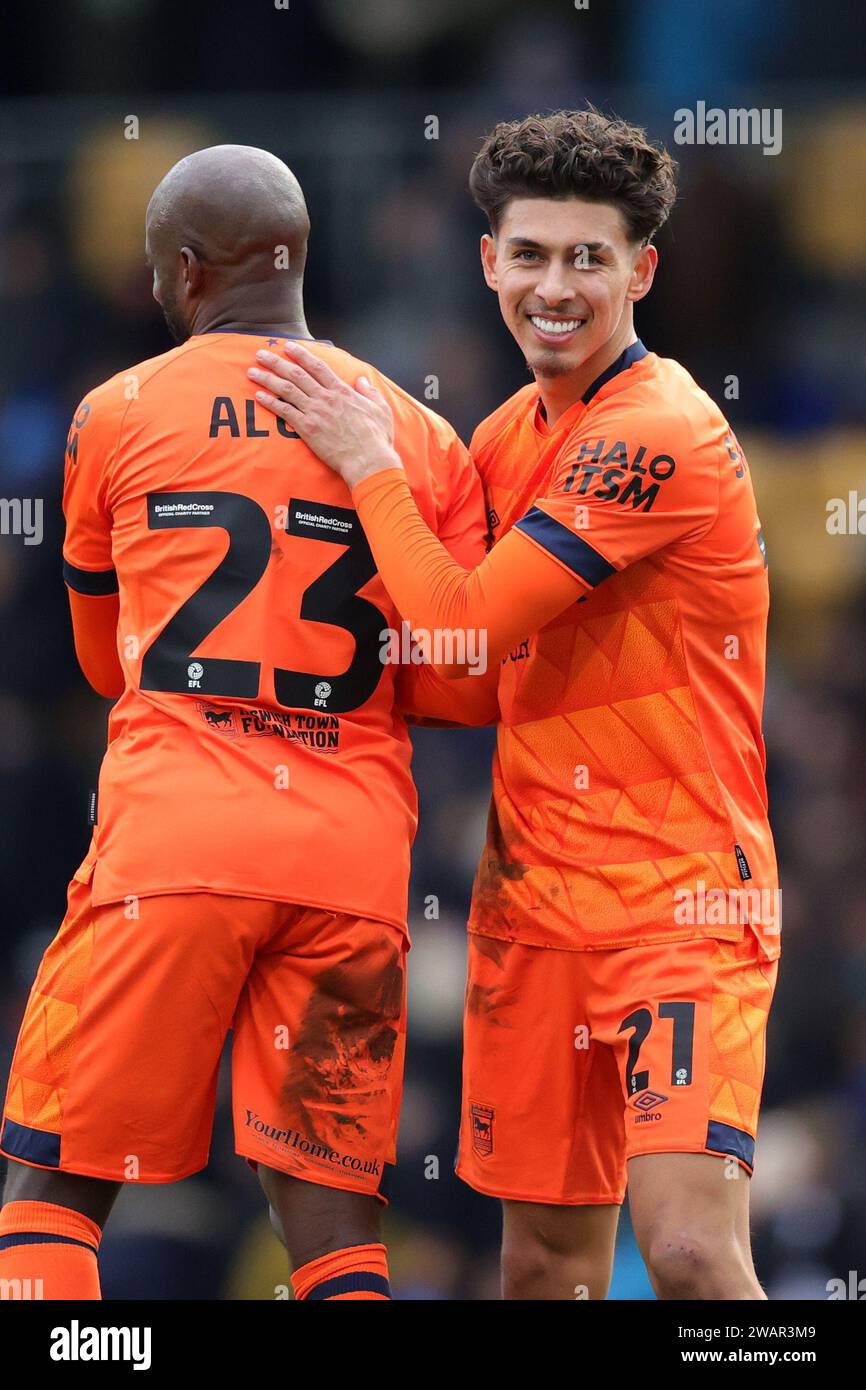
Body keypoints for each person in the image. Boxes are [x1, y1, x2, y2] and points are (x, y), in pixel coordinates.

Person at [248, 108, 780, 1301]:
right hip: (528, 915)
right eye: (529, 253)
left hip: (674, 903)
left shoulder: (658, 433)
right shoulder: (499, 438)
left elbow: (459, 623)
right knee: (541, 1267)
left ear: (640, 270)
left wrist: (369, 460)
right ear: (487, 259)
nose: (555, 284)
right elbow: (464, 679)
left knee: (691, 1253)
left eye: (586, 257)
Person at [0, 144, 492, 1301]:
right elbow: (469, 679)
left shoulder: (115, 411)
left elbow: (96, 659)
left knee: (53, 1190)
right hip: (353, 860)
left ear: (183, 270)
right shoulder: (415, 437)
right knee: (332, 1228)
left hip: (176, 845)